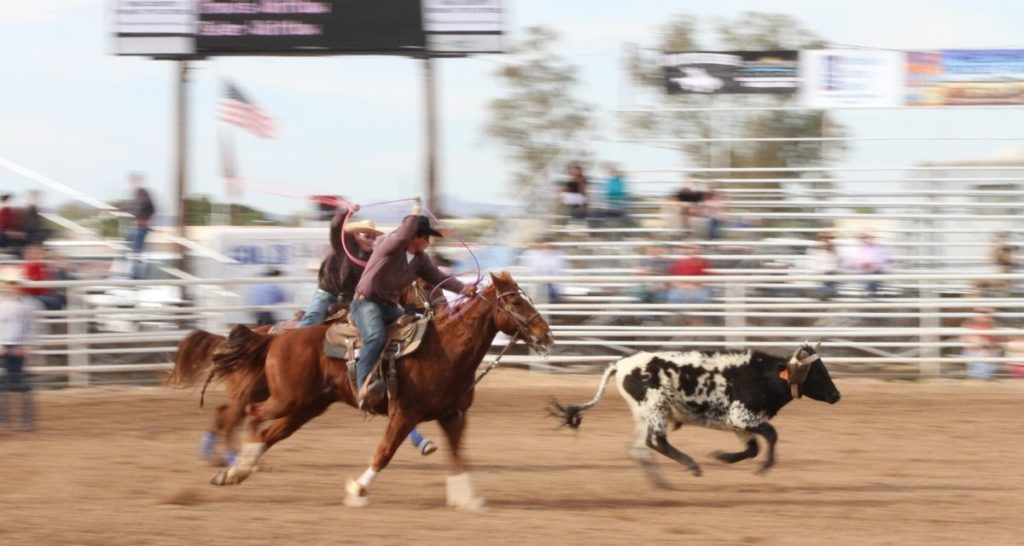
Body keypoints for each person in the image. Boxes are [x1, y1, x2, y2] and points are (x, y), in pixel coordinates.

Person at [352, 214, 474, 410]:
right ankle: (363, 387)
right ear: (415, 237)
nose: (428, 242)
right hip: (366, 303)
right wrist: (417, 217)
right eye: (426, 237)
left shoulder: (420, 260)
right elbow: (402, 235)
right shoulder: (389, 245)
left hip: (390, 307)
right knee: (375, 336)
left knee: (420, 330)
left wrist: (464, 288)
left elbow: (438, 277)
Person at [296, 207, 382, 327]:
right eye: (367, 236)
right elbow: (336, 225)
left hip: (350, 300)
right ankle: (296, 339)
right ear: (357, 235)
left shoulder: (371, 258)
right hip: (327, 294)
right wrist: (348, 211)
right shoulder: (342, 245)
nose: (371, 240)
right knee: (313, 319)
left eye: (374, 238)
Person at [0, 267, 39, 432]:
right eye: (9, 283)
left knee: (16, 384)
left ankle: (25, 420)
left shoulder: (27, 305)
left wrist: (25, 346)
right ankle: (4, 419)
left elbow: (30, 328)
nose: (11, 286)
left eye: (14, 283)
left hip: (16, 346)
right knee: (5, 384)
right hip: (3, 345)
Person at [123, 172, 156, 279]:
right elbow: (133, 206)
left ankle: (136, 277)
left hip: (141, 227)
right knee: (132, 251)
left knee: (136, 252)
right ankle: (133, 275)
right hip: (138, 227)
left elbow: (145, 207)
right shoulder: (138, 194)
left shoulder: (142, 193)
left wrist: (145, 220)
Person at [518, 238, 568, 304]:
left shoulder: (556, 255)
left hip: (549, 287)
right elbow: (529, 273)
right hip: (536, 286)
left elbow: (558, 274)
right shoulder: (530, 254)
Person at [843, 232, 892, 297]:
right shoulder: (853, 249)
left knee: (872, 280)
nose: (867, 240)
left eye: (869, 237)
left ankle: (869, 297)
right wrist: (858, 263)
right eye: (864, 238)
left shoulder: (880, 248)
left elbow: (886, 262)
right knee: (870, 281)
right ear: (859, 239)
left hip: (876, 272)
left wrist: (874, 265)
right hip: (860, 273)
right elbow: (847, 264)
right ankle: (869, 297)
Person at [960, 308, 1001, 380]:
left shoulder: (993, 325)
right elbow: (966, 341)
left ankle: (981, 377)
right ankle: (980, 377)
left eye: (987, 313)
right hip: (975, 352)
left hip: (989, 352)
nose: (985, 315)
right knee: (981, 361)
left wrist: (986, 347)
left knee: (985, 359)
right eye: (981, 312)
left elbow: (997, 344)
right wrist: (981, 346)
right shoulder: (969, 325)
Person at [21, 244, 64, 311]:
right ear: (26, 255)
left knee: (60, 298)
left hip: (39, 295)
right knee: (57, 301)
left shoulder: (41, 266)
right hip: (30, 296)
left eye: (39, 254)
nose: (38, 256)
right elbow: (32, 288)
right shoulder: (26, 267)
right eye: (35, 253)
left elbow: (47, 283)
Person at [806, 232, 841, 300]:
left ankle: (826, 293)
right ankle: (828, 293)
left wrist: (831, 250)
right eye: (823, 238)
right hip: (819, 274)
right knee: (827, 284)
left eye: (828, 238)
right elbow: (812, 264)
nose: (826, 240)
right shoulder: (814, 249)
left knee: (829, 280)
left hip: (830, 274)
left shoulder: (834, 250)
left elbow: (836, 263)